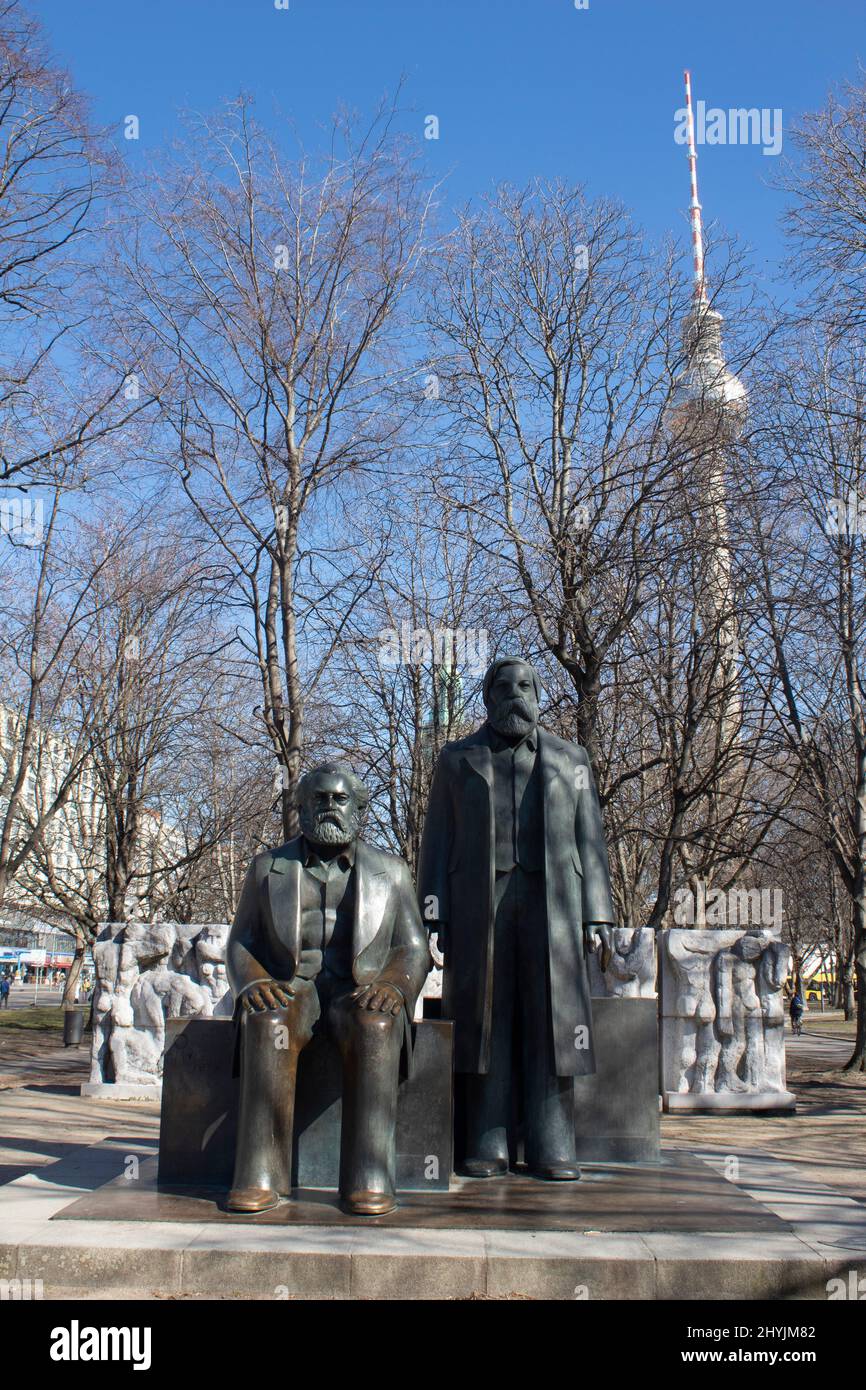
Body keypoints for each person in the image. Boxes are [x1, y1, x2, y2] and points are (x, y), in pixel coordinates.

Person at [418, 656, 615, 1182]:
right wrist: (431, 910)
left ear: (538, 693)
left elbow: (590, 840)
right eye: (503, 687)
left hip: (555, 904)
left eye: (524, 686)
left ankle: (553, 1143)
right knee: (486, 1019)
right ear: (486, 697)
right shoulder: (458, 759)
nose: (515, 695)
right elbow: (436, 838)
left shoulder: (571, 759)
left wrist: (598, 912)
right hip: (479, 902)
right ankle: (489, 1141)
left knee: (553, 1019)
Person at [226, 761, 430, 1216]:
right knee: (267, 1020)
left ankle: (370, 1176)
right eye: (319, 799)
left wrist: (395, 988)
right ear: (299, 805)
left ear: (359, 808)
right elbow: (241, 942)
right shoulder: (267, 868)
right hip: (291, 987)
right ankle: (260, 1176)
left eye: (340, 800)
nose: (330, 808)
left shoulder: (391, 872)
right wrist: (254, 981)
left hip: (357, 991)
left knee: (376, 1026)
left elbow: (414, 948)